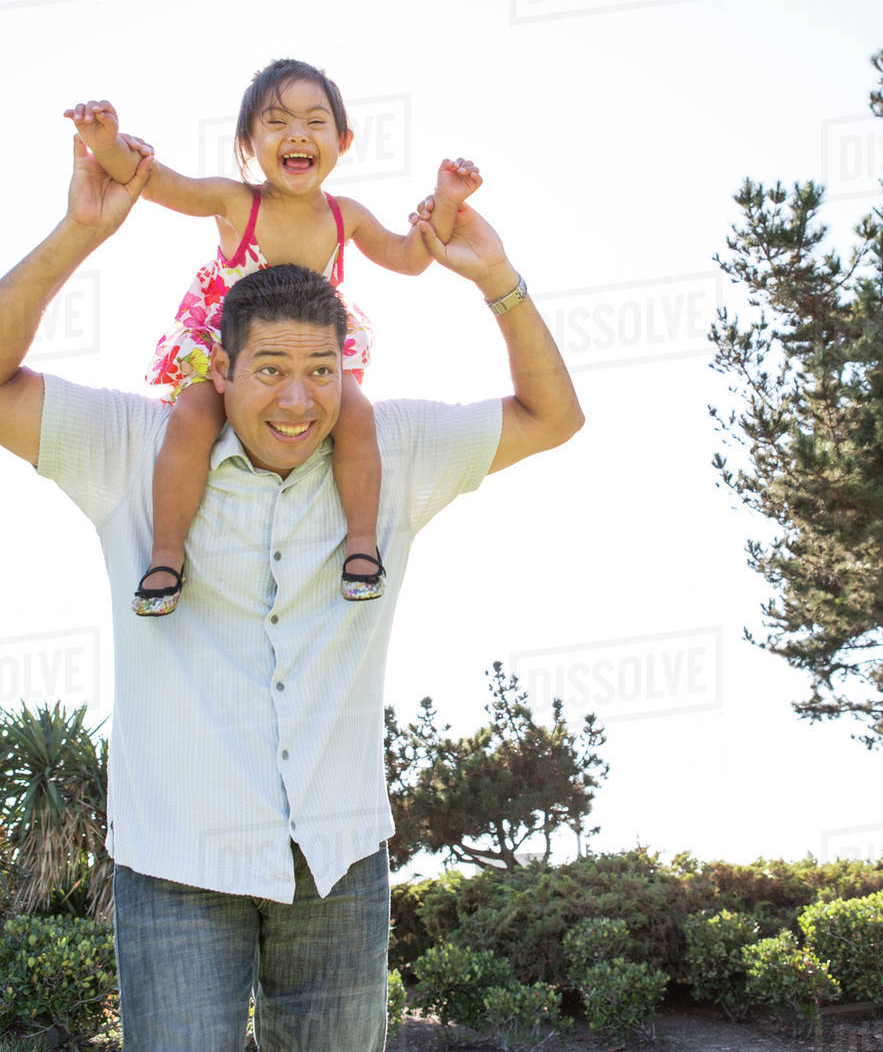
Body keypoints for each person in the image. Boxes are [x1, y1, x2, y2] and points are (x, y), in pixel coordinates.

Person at [0, 134, 583, 1051]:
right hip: (175, 864)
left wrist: (497, 277)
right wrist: (80, 233)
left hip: (339, 864)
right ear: (218, 371)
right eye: (270, 370)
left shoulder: (393, 452)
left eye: (321, 372)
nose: (298, 401)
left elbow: (555, 417)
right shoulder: (132, 451)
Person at [65, 58, 482, 613]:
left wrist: (447, 203)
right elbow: (158, 184)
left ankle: (362, 545)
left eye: (315, 122)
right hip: (228, 342)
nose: (297, 135)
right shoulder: (237, 201)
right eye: (277, 122)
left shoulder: (345, 215)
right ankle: (166, 552)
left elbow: (409, 259)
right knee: (191, 419)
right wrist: (108, 143)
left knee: (358, 416)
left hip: (306, 350)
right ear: (249, 141)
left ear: (343, 140)